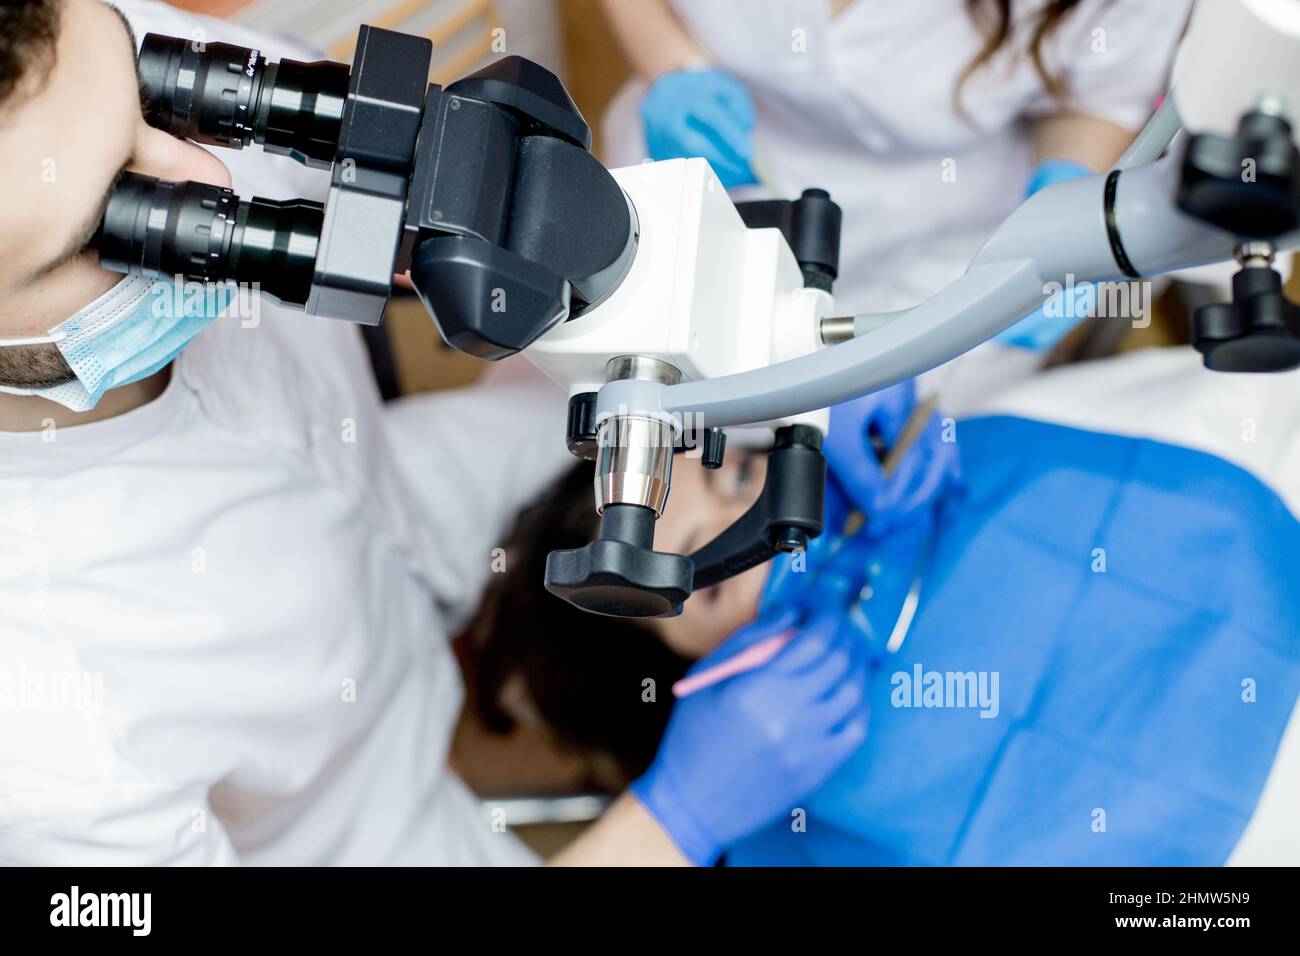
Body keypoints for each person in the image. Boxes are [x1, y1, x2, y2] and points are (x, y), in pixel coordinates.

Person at [0, 0, 869, 867]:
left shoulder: (69, 66)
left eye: (155, 98)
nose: (211, 175)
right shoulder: (53, 748)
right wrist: (671, 824)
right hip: (366, 815)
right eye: (119, 209)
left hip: (388, 503)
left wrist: (788, 371)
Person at [468, 345, 1300, 865]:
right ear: (676, 684)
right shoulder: (768, 810)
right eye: (714, 579)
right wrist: (680, 816)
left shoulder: (952, 453)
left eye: (742, 480)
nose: (765, 531)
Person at [598, 0, 1192, 408]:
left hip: (945, 221)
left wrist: (1063, 188)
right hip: (701, 143)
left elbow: (1100, 93)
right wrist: (671, 65)